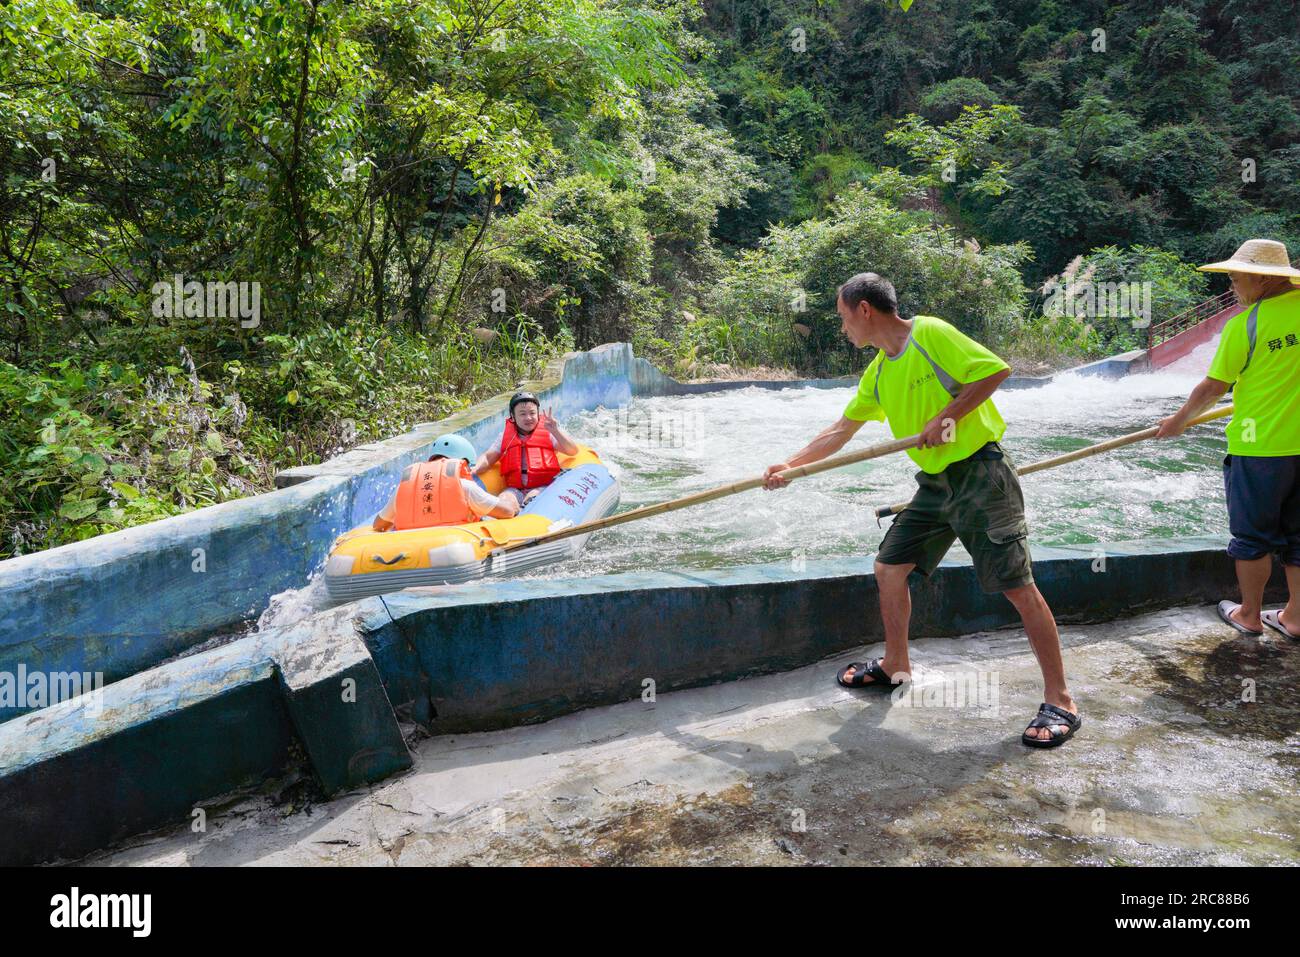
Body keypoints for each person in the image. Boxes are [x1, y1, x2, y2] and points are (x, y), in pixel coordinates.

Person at [762, 272, 1081, 747]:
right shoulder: (881, 370)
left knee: (1016, 586)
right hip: (934, 485)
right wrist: (792, 465)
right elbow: (841, 429)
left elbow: (994, 370)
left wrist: (947, 415)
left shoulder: (928, 333)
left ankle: (1062, 700)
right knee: (890, 567)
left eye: (843, 316)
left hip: (982, 476)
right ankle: (895, 665)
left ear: (864, 309)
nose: (843, 327)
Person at [1155, 239, 1300, 640]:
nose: (1233, 288)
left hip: (1261, 449)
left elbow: (1213, 387)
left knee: (1252, 536)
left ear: (1259, 277)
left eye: (1236, 279)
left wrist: (1179, 421)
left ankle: (1250, 614)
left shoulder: (1247, 324)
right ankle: (1295, 617)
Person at [372, 433, 518, 532]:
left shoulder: (404, 488)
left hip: (407, 554)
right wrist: (512, 502)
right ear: (463, 462)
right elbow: (507, 512)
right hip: (453, 551)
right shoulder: (464, 486)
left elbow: (379, 525)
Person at [474, 391, 579, 508]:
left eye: (532, 413)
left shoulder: (549, 432)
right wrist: (474, 470)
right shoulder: (505, 436)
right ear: (513, 417)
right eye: (522, 414)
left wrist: (555, 430)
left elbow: (572, 451)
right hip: (515, 489)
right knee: (504, 501)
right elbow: (488, 458)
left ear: (538, 414)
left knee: (532, 498)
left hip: (543, 486)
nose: (528, 418)